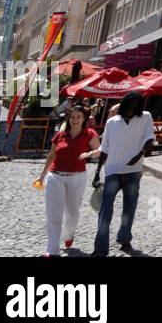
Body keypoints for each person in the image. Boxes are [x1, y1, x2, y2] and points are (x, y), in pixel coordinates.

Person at [92, 91, 156, 256]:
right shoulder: (112, 123)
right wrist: (97, 172)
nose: (131, 109)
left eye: (135, 107)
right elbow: (104, 148)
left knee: (130, 207)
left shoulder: (145, 117)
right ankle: (100, 247)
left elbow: (150, 138)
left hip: (133, 171)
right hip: (113, 169)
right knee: (105, 209)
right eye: (128, 106)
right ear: (123, 106)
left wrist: (140, 154)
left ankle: (124, 238)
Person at [37, 105, 101, 256]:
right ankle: (52, 250)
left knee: (72, 213)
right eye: (72, 117)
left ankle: (69, 234)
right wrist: (42, 175)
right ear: (68, 119)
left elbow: (99, 151)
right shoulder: (60, 135)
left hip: (77, 177)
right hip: (55, 176)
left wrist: (89, 154)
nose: (75, 120)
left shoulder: (89, 133)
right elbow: (52, 156)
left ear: (84, 118)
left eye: (78, 117)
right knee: (54, 213)